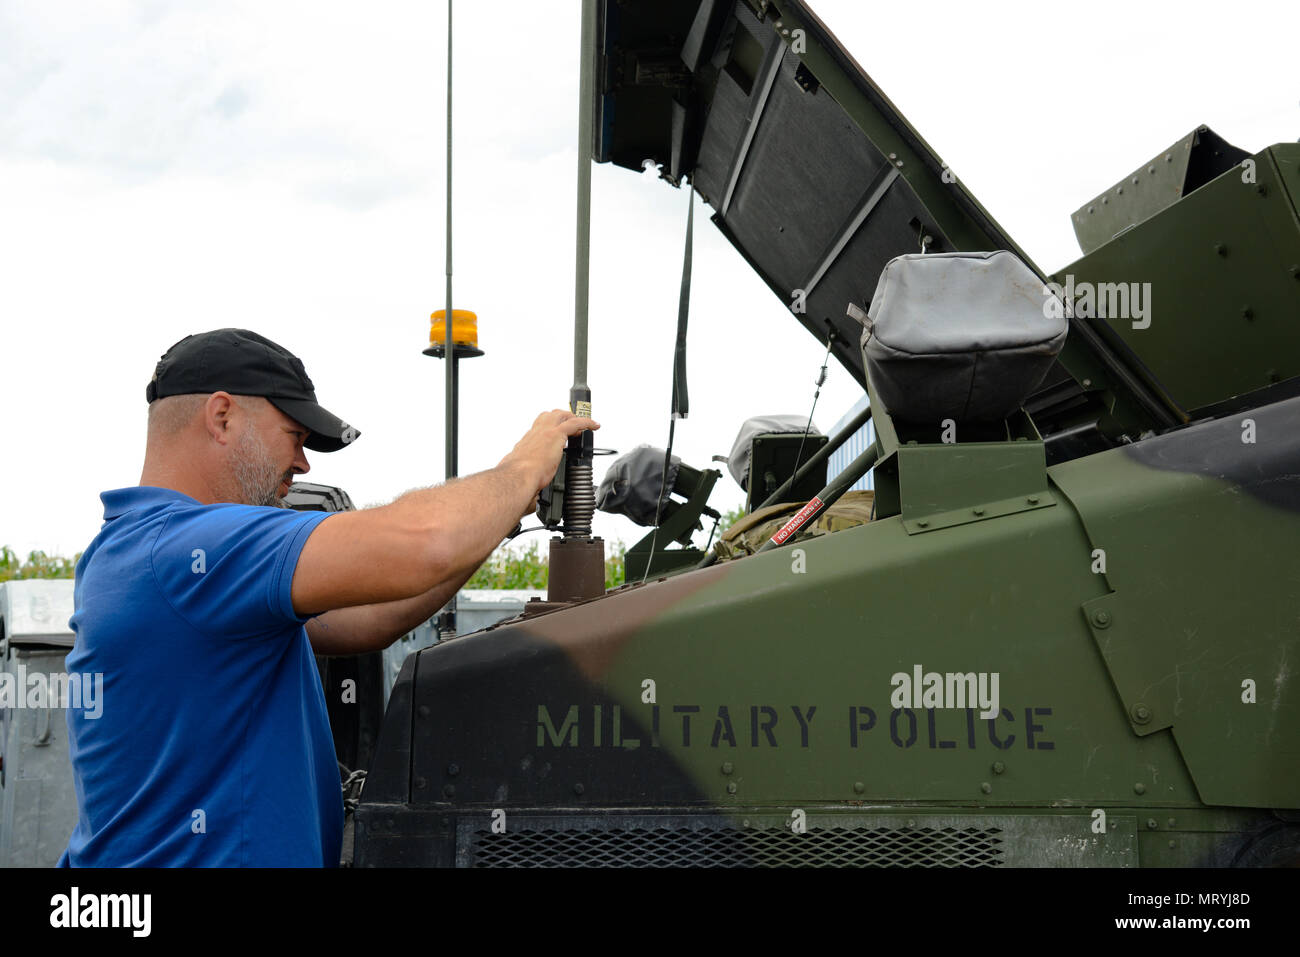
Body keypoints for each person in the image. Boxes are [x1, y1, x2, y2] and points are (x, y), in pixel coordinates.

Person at [58, 328, 597, 867]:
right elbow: (423, 544)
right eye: (294, 435)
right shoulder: (192, 547)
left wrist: (503, 512)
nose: (304, 464)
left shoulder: (139, 553)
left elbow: (368, 619)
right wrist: (521, 468)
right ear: (222, 417)